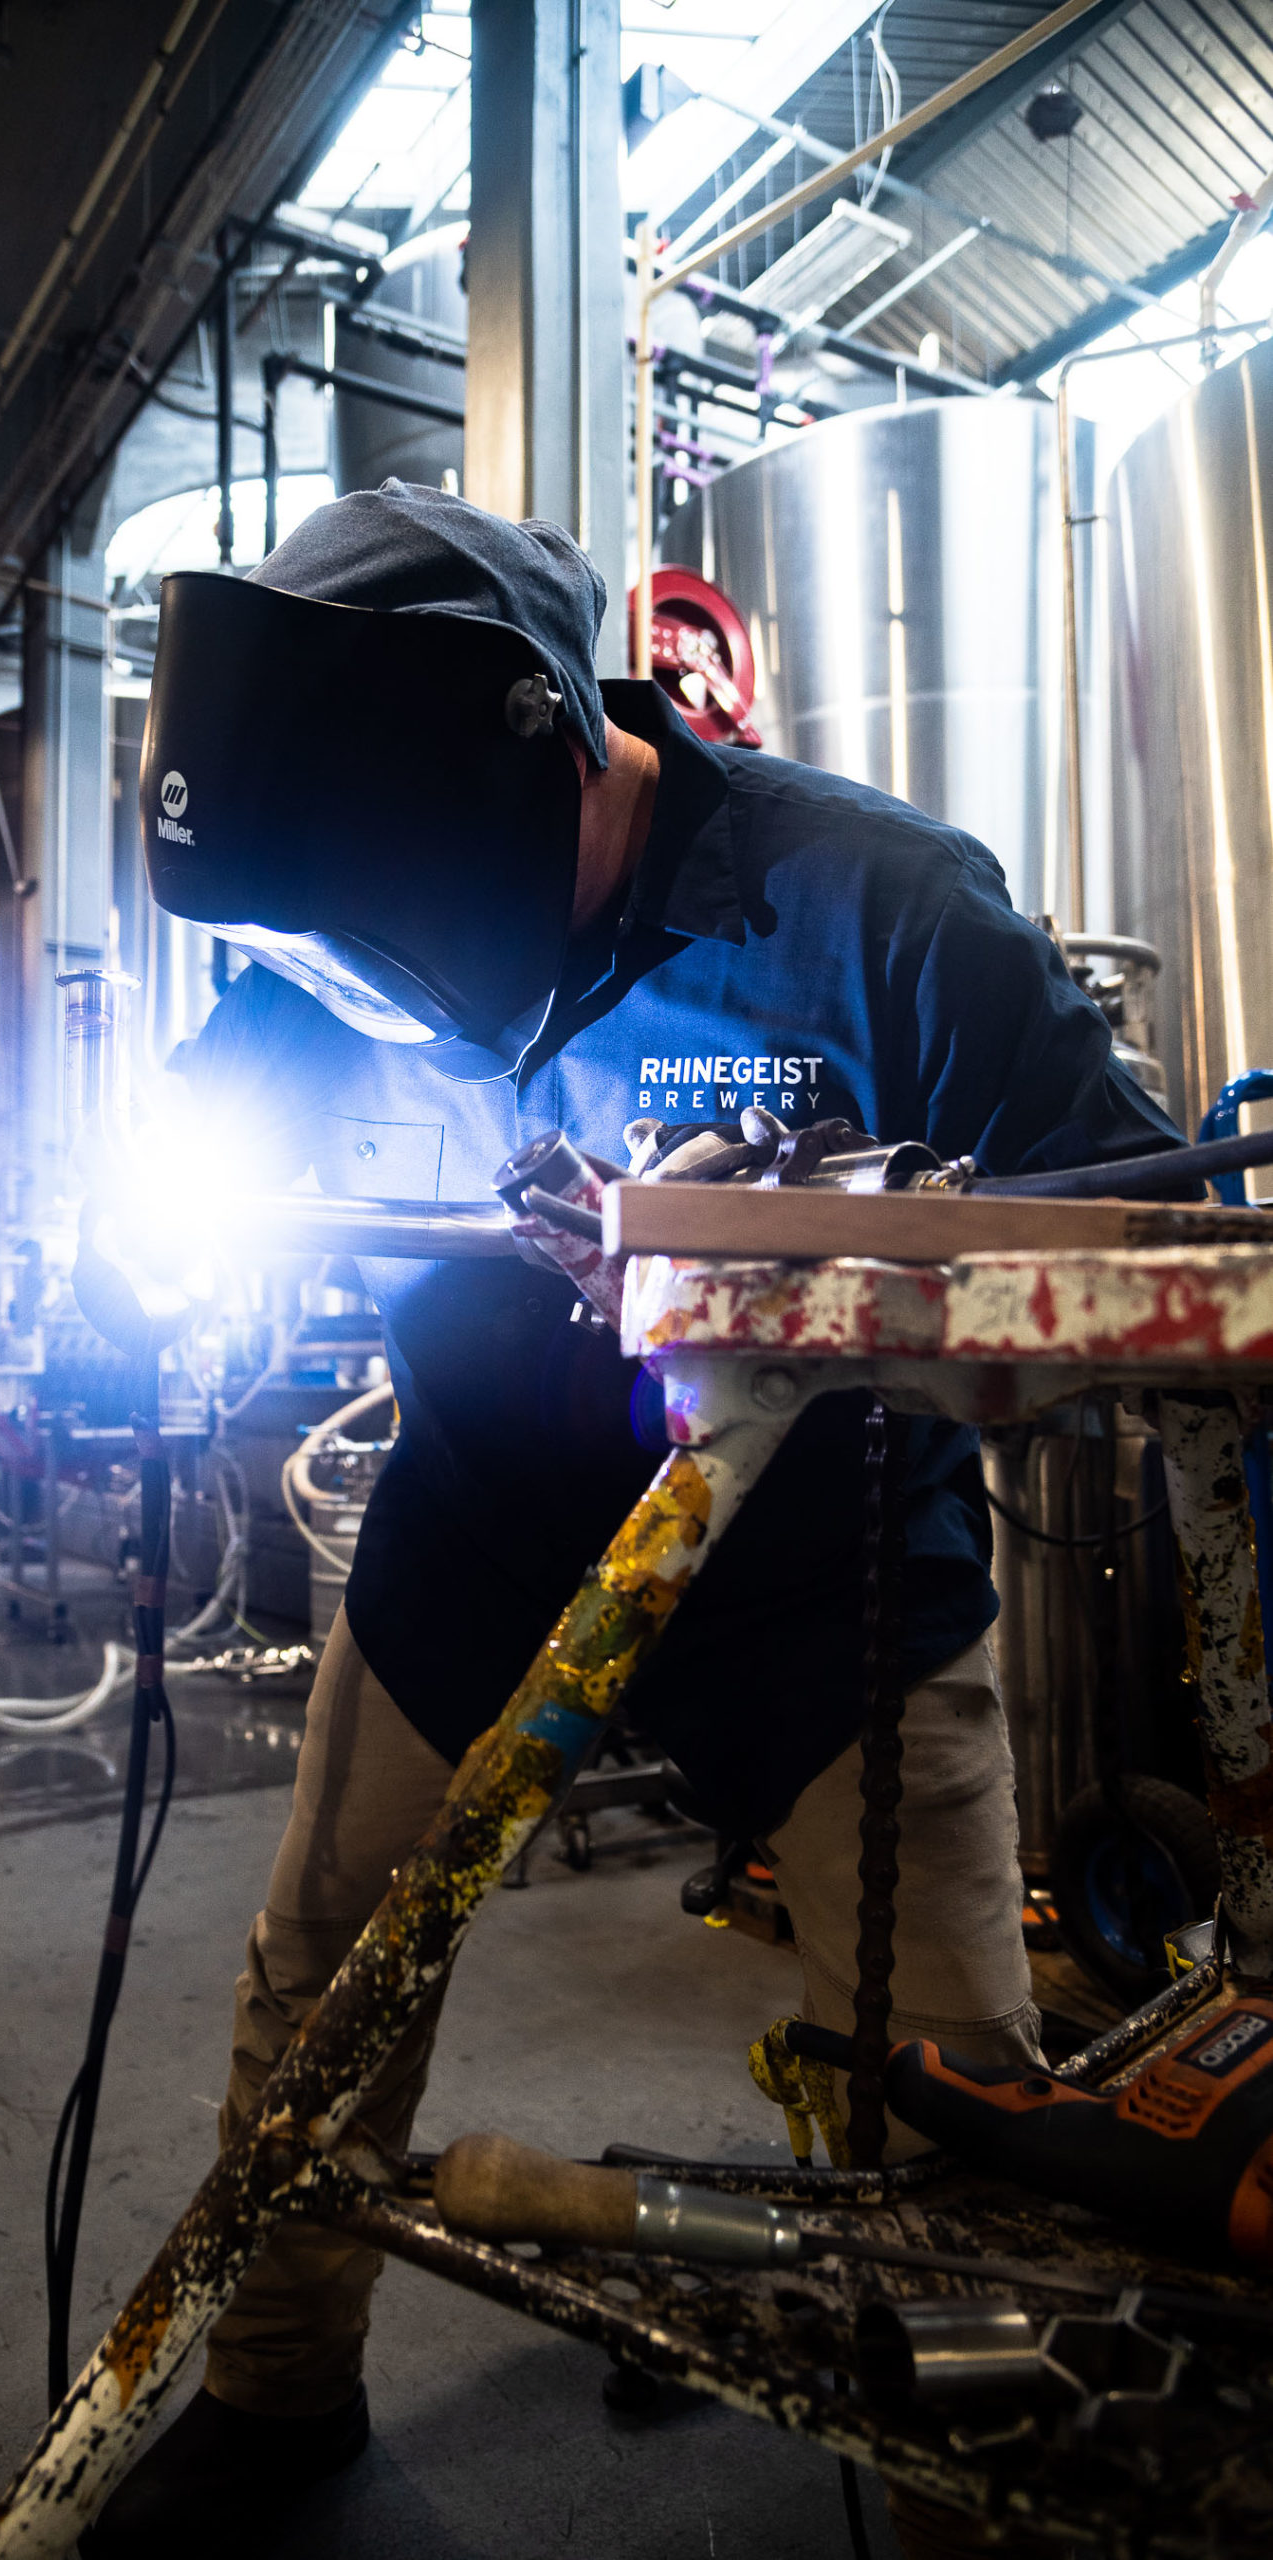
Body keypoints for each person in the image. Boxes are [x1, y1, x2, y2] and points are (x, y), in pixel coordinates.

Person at [75, 482, 1179, 2556]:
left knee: (950, 2074)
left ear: (552, 752)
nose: (366, 993)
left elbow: (1141, 1267)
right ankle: (275, 2389)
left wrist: (822, 1264)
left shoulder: (879, 907)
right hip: (484, 1516)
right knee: (324, 1971)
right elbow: (221, 1125)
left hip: (824, 1556)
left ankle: (972, 2497)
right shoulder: (334, 923)